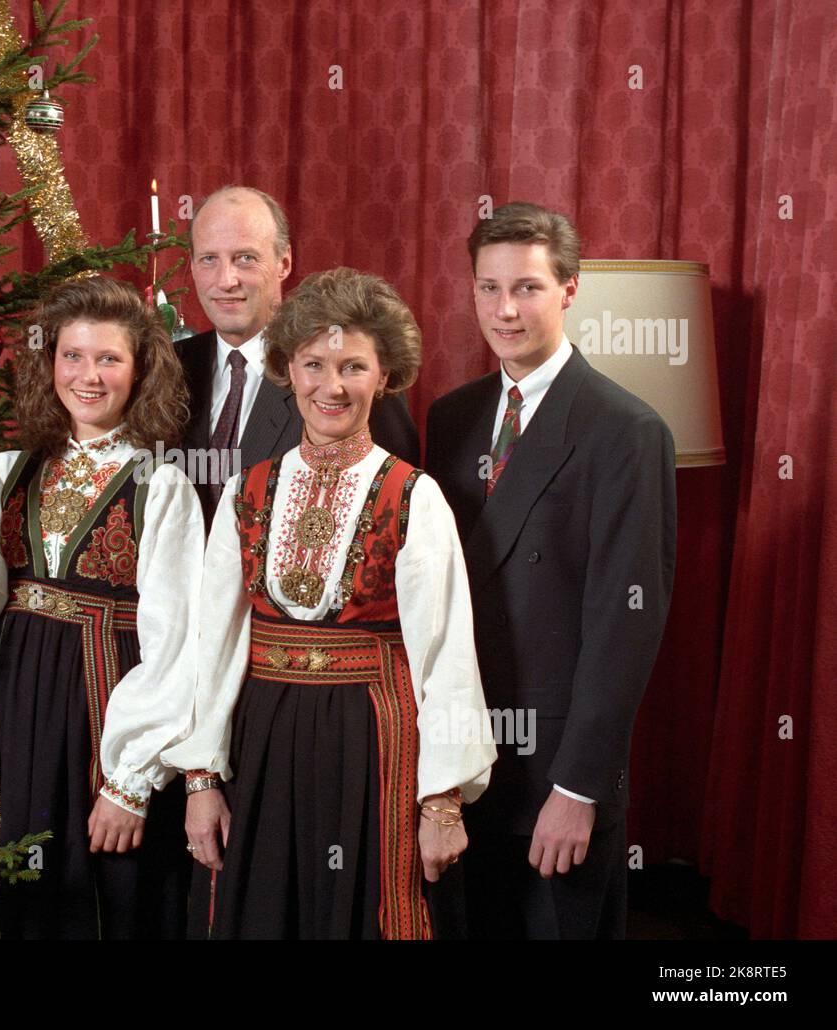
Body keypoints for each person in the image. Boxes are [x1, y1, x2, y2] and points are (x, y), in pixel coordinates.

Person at [163, 267, 495, 939]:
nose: (331, 386)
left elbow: (446, 654)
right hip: (263, 739)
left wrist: (442, 803)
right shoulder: (244, 492)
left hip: (373, 742)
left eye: (353, 366)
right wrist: (200, 779)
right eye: (314, 364)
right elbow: (212, 644)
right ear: (288, 368)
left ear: (385, 375)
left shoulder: (415, 497)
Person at [0, 276, 204, 939]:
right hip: (22, 699)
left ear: (140, 371)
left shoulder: (164, 485)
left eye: (108, 359)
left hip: (108, 706)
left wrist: (131, 780)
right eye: (73, 356)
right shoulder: (9, 470)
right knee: (33, 888)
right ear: (50, 365)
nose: (87, 376)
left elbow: (178, 644)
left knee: (117, 891)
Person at [425, 202, 677, 939]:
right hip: (460, 760)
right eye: (488, 287)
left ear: (570, 287)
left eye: (527, 288)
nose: (505, 309)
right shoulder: (453, 416)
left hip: (556, 774)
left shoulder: (626, 430)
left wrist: (579, 787)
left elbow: (626, 624)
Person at [178, 186, 420, 525]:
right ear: (192, 266)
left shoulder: (346, 372)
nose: (226, 280)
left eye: (245, 258)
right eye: (209, 259)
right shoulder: (169, 366)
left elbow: (391, 510)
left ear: (284, 262)